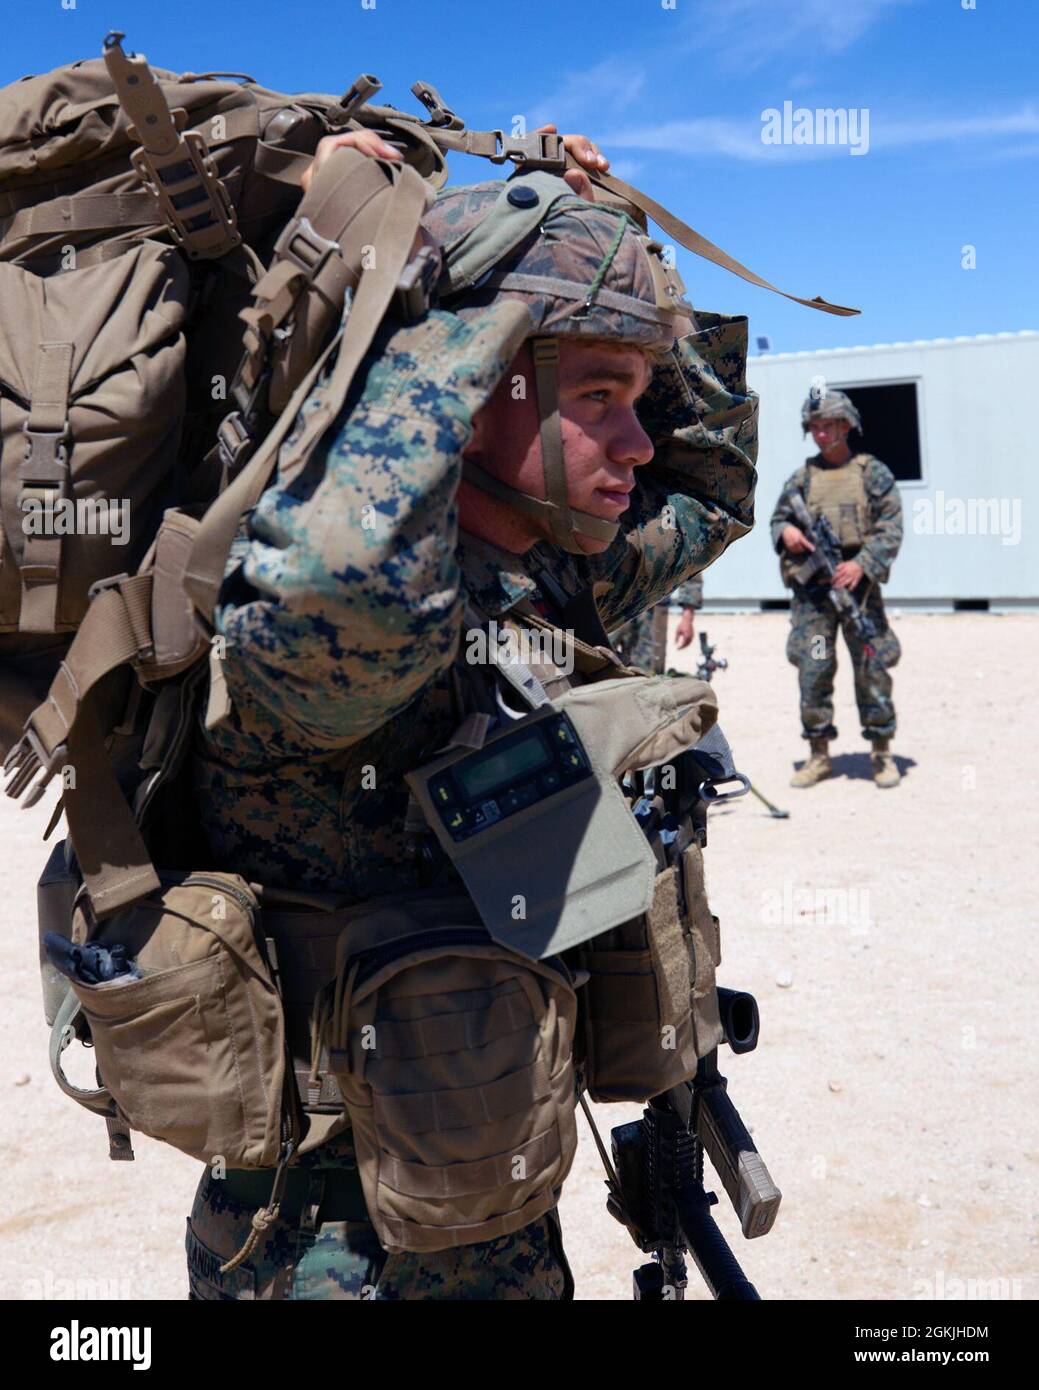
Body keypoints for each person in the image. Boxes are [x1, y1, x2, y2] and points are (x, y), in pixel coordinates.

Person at [184, 162, 756, 1299]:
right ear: (471, 381)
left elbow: (715, 488)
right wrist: (464, 309)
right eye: (598, 397)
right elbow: (356, 573)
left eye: (637, 400)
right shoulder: (318, 625)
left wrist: (629, 250)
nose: (638, 444)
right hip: (324, 1252)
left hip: (503, 1205)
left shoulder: (554, 581)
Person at [770, 389, 903, 789]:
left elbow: (891, 527)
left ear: (846, 425)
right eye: (815, 428)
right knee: (814, 669)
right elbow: (777, 520)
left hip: (857, 591)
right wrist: (788, 532)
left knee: (871, 664)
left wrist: (861, 564)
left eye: (828, 426)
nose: (821, 434)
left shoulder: (871, 473)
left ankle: (881, 751)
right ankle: (818, 754)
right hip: (813, 594)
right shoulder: (802, 479)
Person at [612, 574, 702, 672]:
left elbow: (692, 568)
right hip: (610, 604)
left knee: (647, 673)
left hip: (652, 608)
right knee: (599, 660)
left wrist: (687, 617)